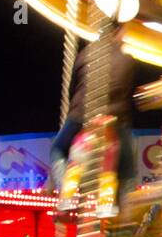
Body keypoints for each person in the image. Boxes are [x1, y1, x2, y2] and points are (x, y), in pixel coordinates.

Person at [50, 21, 138, 198]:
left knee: (58, 149)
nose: (125, 37)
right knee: (128, 165)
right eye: (124, 33)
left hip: (81, 115)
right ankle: (125, 203)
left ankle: (64, 187)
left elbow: (72, 88)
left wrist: (75, 112)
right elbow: (126, 92)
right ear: (117, 32)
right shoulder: (127, 59)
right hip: (115, 119)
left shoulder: (84, 55)